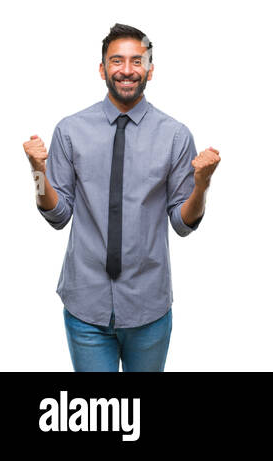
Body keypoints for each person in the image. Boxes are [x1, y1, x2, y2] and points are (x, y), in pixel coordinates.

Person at [25, 23, 220, 372]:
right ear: (102, 69)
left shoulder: (175, 136)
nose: (127, 70)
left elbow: (182, 223)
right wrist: (38, 171)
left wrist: (201, 184)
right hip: (86, 304)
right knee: (98, 416)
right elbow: (56, 214)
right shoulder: (70, 131)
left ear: (150, 69)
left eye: (137, 61)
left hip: (148, 306)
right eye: (117, 61)